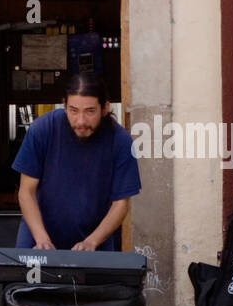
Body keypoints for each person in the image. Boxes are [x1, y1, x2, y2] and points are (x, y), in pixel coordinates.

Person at [13, 74, 140, 252]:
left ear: (104, 108)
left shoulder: (120, 141)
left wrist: (92, 242)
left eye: (90, 111)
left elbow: (121, 204)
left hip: (96, 239)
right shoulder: (42, 129)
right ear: (64, 106)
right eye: (73, 111)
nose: (81, 121)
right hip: (38, 236)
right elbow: (26, 191)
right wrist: (41, 239)